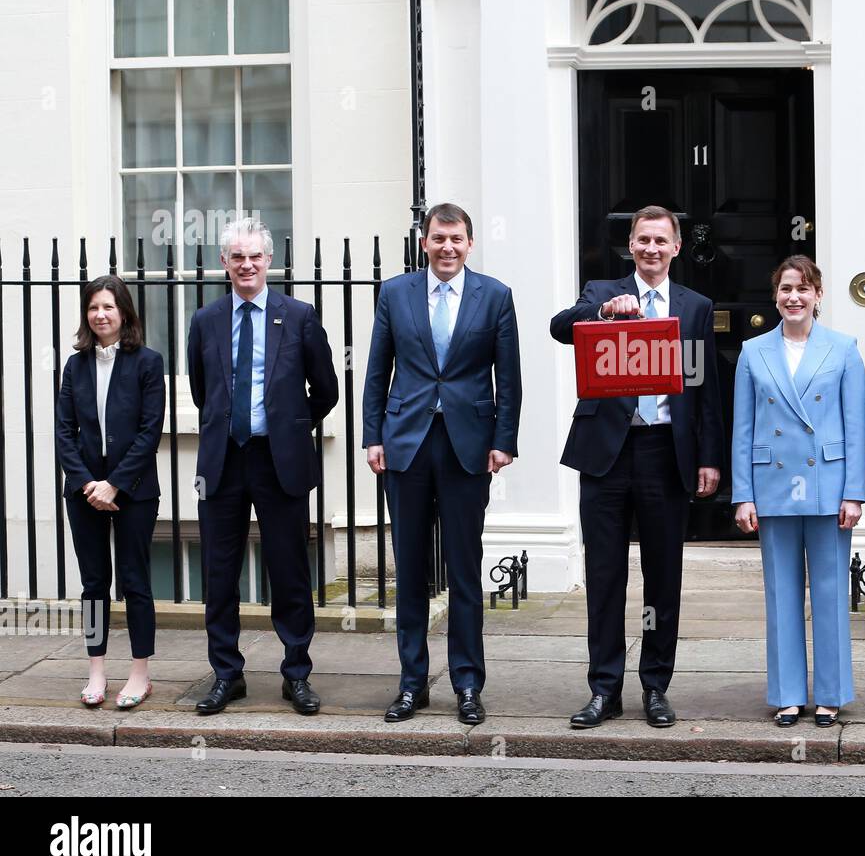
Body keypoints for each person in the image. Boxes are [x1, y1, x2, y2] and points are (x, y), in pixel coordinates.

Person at [550, 205, 723, 728]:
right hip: (606, 452)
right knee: (604, 576)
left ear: (675, 247)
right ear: (631, 244)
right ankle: (604, 687)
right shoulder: (601, 292)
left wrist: (709, 457)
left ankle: (654, 685)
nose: (650, 249)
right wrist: (601, 315)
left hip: (665, 453)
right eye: (642, 240)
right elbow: (559, 328)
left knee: (662, 576)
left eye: (660, 241)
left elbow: (706, 389)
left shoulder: (695, 306)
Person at [362, 203, 522, 725]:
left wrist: (504, 440)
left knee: (464, 571)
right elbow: (376, 371)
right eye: (438, 238)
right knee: (409, 570)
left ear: (469, 244)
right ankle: (412, 684)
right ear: (424, 242)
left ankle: (467, 684)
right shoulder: (395, 293)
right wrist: (372, 438)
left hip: (467, 447)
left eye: (456, 239)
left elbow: (509, 377)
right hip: (406, 444)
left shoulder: (495, 296)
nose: (447, 247)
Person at [187, 218, 339, 715]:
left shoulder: (298, 316)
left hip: (280, 460)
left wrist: (293, 425)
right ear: (224, 263)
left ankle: (296, 672)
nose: (246, 265)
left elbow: (327, 388)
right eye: (236, 257)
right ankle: (227, 674)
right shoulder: (205, 320)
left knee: (289, 569)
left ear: (269, 261)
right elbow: (201, 389)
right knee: (219, 573)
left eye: (254, 256)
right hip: (224, 460)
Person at [732, 256, 865, 727]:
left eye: (803, 289)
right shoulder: (753, 351)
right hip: (772, 485)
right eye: (786, 288)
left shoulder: (844, 348)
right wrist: (742, 495)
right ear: (775, 295)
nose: (794, 297)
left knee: (830, 592)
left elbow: (856, 426)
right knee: (781, 591)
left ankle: (830, 693)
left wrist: (855, 492)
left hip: (828, 484)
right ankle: (787, 693)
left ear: (818, 296)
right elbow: (742, 428)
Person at [55, 275, 165, 709]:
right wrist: (87, 483)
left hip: (133, 490)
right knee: (94, 583)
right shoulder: (75, 365)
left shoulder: (148, 363)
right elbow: (65, 431)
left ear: (124, 313)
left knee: (135, 580)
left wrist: (114, 483)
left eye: (108, 307)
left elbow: (149, 430)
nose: (100, 315)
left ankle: (140, 673)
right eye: (93, 307)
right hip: (83, 492)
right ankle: (96, 669)